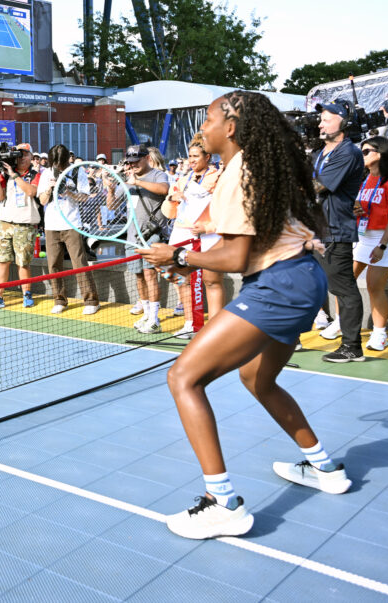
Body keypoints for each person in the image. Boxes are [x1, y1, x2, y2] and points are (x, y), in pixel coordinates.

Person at [138, 91, 350, 540]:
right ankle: (326, 468)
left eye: (210, 118)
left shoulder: (240, 172)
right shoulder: (258, 165)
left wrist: (179, 258)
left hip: (279, 286)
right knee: (258, 379)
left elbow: (235, 256)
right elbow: (247, 239)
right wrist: (190, 246)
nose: (203, 128)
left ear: (231, 127)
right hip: (302, 280)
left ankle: (223, 503)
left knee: (183, 378)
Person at [312, 101, 366, 363]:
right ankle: (289, 337)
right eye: (320, 119)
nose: (320, 123)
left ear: (343, 122)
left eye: (326, 119)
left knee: (343, 289)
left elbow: (317, 187)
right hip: (315, 231)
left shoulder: (348, 152)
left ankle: (352, 346)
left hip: (335, 232)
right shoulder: (320, 152)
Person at [162, 135, 224, 337]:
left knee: (211, 281)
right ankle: (190, 322)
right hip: (181, 236)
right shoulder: (182, 179)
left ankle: (214, 330)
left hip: (209, 238)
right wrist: (172, 198)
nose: (192, 160)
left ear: (208, 157)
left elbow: (227, 212)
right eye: (189, 156)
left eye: (196, 156)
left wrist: (207, 228)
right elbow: (168, 212)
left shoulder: (218, 178)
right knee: (181, 278)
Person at [351, 136, 388, 351]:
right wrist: (356, 209)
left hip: (386, 237)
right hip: (364, 235)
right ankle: (340, 323)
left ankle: (379, 334)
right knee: (345, 280)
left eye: (366, 151)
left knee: (374, 286)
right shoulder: (365, 179)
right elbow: (366, 207)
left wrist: (382, 246)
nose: (361, 155)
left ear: (381, 154)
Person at [37, 144, 100, 315]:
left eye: (60, 163)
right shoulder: (46, 173)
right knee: (53, 264)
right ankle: (59, 299)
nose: (58, 167)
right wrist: (51, 188)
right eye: (55, 164)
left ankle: (91, 300)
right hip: (51, 225)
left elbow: (85, 198)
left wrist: (67, 191)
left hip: (71, 223)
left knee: (79, 262)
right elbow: (42, 201)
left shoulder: (76, 172)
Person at [118, 144, 170, 332]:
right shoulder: (127, 179)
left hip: (151, 234)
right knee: (139, 277)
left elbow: (164, 189)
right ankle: (147, 315)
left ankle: (155, 319)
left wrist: (137, 182)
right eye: (129, 162)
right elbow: (111, 203)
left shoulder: (157, 175)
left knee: (150, 275)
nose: (132, 165)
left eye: (136, 161)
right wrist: (109, 188)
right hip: (131, 237)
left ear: (147, 158)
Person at [0, 144, 39, 309]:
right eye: (19, 154)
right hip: (4, 222)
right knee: (1, 261)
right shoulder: (5, 173)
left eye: (24, 154)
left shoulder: (35, 174)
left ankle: (26, 294)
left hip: (25, 223)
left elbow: (31, 192)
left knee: (23, 262)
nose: (21, 157)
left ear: (31, 157)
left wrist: (15, 175)